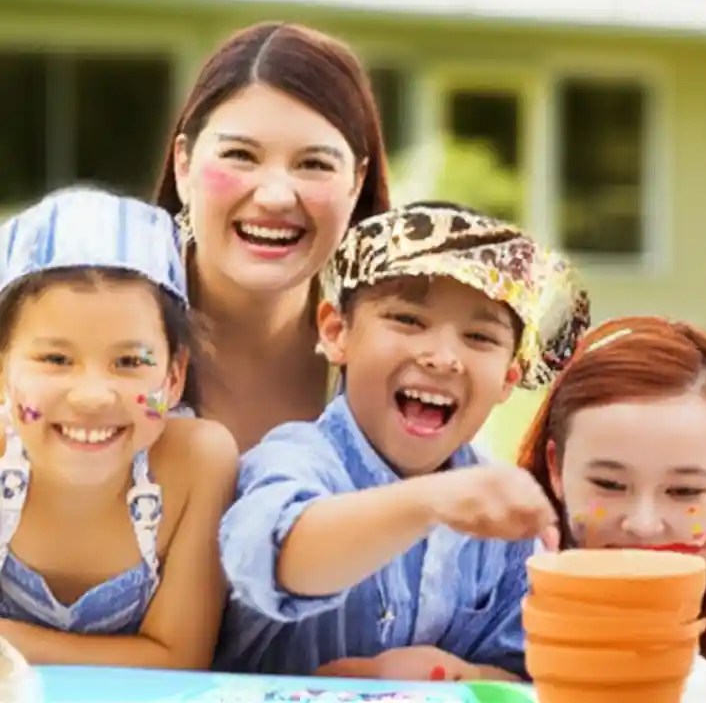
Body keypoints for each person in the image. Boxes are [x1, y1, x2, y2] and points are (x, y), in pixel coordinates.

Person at [216, 201, 591, 680]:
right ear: (336, 332)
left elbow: (528, 672)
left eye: (479, 337)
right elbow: (279, 558)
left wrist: (456, 674)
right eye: (408, 320)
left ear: (507, 379)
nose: (442, 357)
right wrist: (431, 502)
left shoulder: (499, 513)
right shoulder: (296, 457)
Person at [0, 188, 237, 667]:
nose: (92, 395)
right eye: (55, 359)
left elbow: (178, 659)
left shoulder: (198, 463)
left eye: (129, 361)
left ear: (174, 377)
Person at [153, 21, 392, 449]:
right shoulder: (99, 328)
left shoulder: (390, 360)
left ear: (357, 183)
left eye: (314, 164)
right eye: (241, 156)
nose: (277, 196)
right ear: (183, 165)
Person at [519, 316, 706, 661]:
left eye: (684, 491)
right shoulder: (487, 602)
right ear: (555, 468)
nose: (644, 525)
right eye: (609, 484)